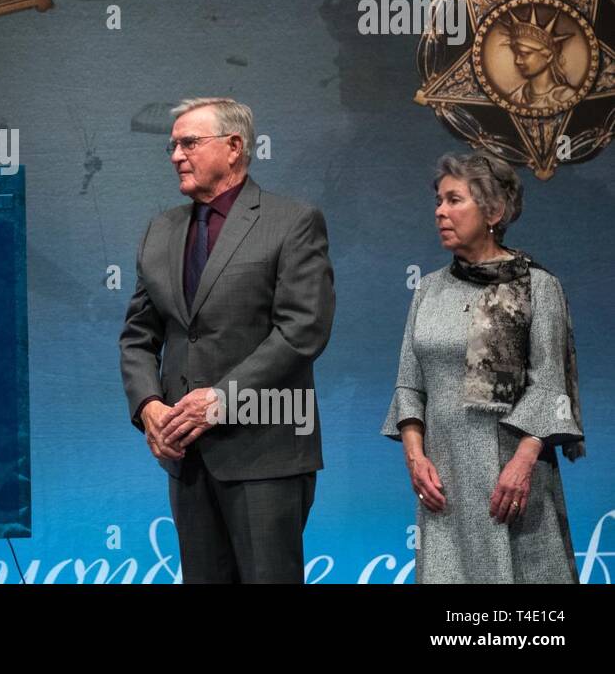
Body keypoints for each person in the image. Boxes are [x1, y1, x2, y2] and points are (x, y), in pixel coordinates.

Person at [119, 97, 335, 583]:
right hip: (187, 455)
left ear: (234, 147)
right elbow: (138, 335)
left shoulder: (292, 221)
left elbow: (303, 330)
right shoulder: (160, 230)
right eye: (172, 145)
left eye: (189, 143)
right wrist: (148, 405)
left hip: (266, 449)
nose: (176, 154)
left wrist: (220, 399)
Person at [382, 151, 584, 583]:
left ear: (493, 211)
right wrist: (415, 458)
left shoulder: (536, 286)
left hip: (511, 478)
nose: (440, 211)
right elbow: (409, 387)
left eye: (454, 200)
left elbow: (550, 387)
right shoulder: (428, 289)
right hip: (443, 480)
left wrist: (522, 464)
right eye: (438, 201)